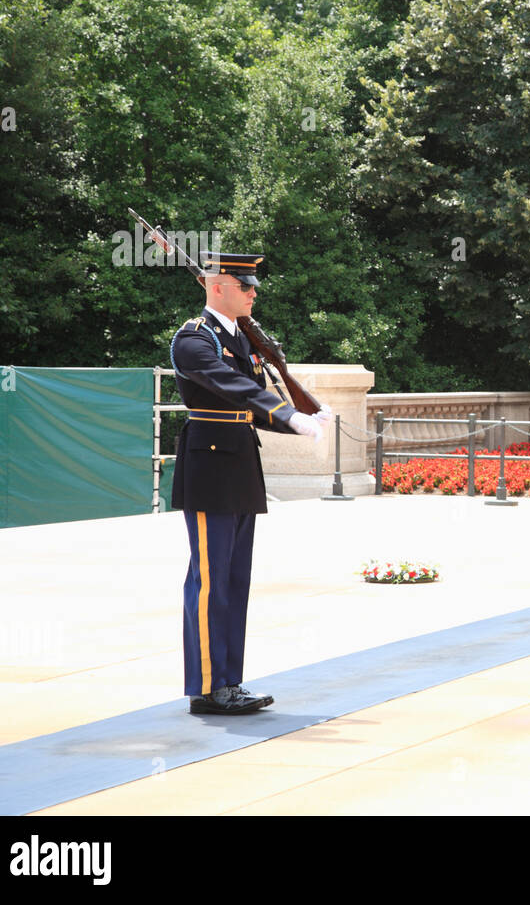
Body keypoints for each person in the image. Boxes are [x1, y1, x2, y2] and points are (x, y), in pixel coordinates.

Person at [170, 251, 331, 715]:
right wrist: (288, 413)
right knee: (208, 581)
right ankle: (205, 686)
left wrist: (301, 419)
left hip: (240, 466)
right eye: (245, 286)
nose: (254, 293)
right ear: (216, 286)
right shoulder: (193, 340)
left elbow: (252, 407)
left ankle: (229, 681)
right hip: (209, 468)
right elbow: (228, 386)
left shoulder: (243, 340)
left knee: (235, 580)